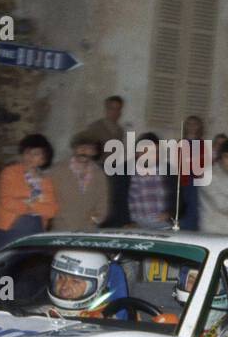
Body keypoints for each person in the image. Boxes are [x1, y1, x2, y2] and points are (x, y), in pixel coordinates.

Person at [0, 134, 58, 249]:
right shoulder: (10, 172)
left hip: (37, 228)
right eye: (28, 152)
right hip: (12, 227)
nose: (30, 157)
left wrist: (27, 203)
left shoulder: (46, 181)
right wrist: (38, 205)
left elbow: (51, 210)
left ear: (44, 158)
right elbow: (7, 202)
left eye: (36, 154)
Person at [81, 96, 128, 227]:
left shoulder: (119, 130)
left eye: (118, 109)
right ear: (106, 109)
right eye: (112, 108)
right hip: (98, 167)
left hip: (113, 169)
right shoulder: (95, 128)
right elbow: (87, 148)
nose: (115, 112)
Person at [49, 135, 108, 234]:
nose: (84, 151)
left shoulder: (99, 174)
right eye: (81, 148)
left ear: (95, 152)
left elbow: (102, 202)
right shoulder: (57, 170)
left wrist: (94, 220)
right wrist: (57, 217)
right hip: (61, 228)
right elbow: (49, 196)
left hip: (88, 230)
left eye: (89, 148)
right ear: (74, 149)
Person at [128, 132, 173, 230]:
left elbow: (179, 201)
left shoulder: (168, 172)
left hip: (163, 227)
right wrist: (127, 222)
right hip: (135, 227)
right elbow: (118, 201)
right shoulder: (125, 173)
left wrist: (170, 213)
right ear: (137, 152)